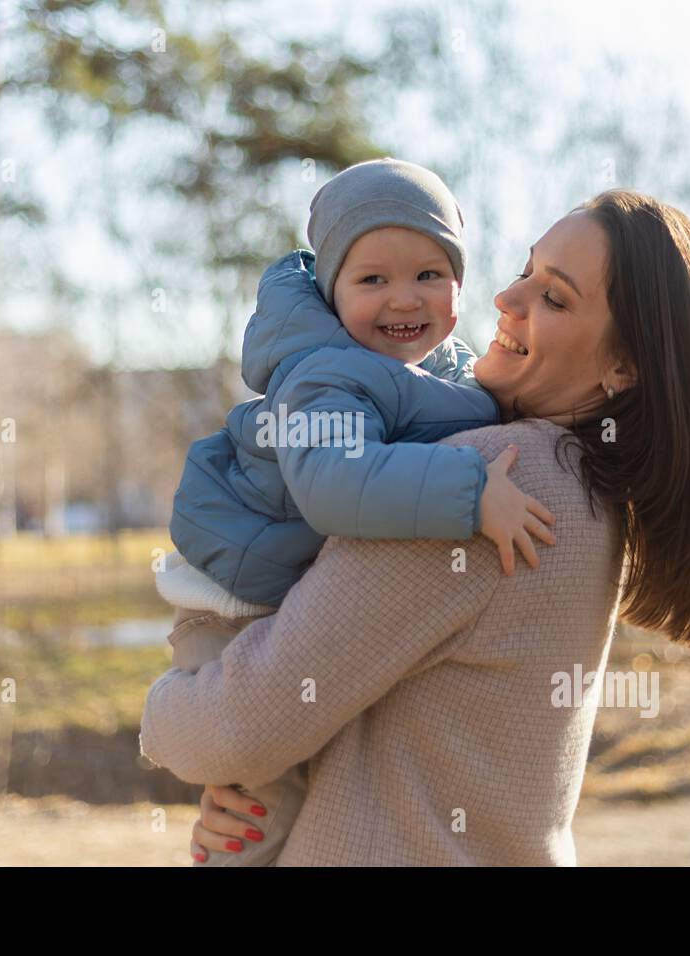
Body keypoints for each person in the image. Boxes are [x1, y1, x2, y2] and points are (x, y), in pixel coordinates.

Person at [141, 189, 690, 865]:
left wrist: (167, 713)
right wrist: (268, 793)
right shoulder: (593, 495)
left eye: (556, 298)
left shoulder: (488, 483)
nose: (507, 302)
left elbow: (237, 727)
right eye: (525, 270)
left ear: (623, 366)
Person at [151, 158, 557, 866]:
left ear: (459, 283)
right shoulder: (325, 372)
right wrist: (469, 491)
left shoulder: (442, 371)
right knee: (259, 814)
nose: (405, 299)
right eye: (373, 280)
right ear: (332, 291)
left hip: (281, 597)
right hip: (232, 611)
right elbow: (335, 484)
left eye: (429, 275)